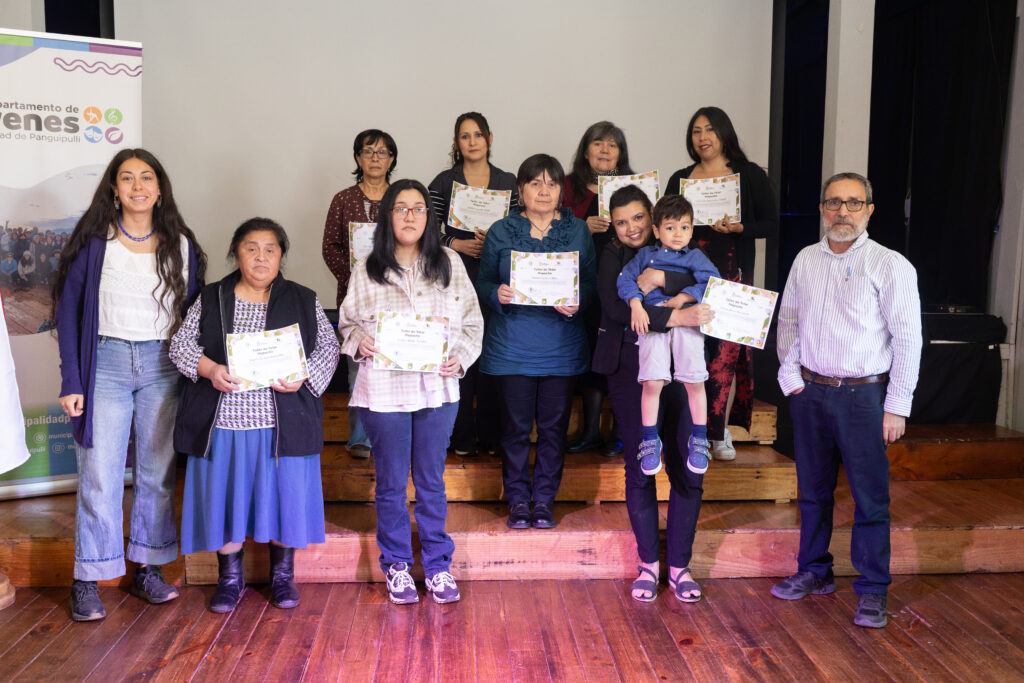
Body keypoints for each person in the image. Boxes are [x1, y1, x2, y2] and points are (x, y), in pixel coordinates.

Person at [53, 148, 206, 622]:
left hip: (163, 366)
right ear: (114, 189)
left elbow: (197, 313)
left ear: (160, 189)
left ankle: (149, 568)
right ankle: (88, 577)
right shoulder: (95, 241)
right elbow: (69, 310)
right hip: (106, 363)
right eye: (127, 178)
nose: (138, 186)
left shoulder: (180, 244)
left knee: (157, 474)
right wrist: (72, 379)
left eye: (146, 178)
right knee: (99, 475)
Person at [772, 172, 922, 628]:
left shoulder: (890, 264)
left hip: (865, 397)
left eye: (853, 204)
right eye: (834, 203)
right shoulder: (805, 259)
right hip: (811, 393)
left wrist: (897, 404)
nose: (842, 212)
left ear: (870, 210)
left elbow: (909, 338)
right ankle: (814, 571)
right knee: (813, 494)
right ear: (821, 208)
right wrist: (791, 377)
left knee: (869, 499)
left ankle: (873, 588)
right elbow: (790, 323)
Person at [170, 218, 339, 613]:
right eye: (251, 248)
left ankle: (282, 577)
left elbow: (328, 349)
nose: (261, 257)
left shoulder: (302, 297)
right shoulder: (211, 297)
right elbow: (180, 345)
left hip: (283, 423)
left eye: (270, 249)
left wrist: (303, 377)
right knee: (227, 503)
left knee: (284, 500)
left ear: (281, 255)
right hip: (224, 423)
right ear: (236, 253)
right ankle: (230, 579)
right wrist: (210, 370)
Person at [338, 179, 482, 605]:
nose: (409, 216)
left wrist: (461, 357)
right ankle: (397, 565)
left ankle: (438, 566)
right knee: (389, 484)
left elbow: (472, 323)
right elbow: (346, 323)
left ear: (428, 217)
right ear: (388, 217)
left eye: (418, 208)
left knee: (431, 482)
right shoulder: (366, 267)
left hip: (437, 388)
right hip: (383, 391)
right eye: (401, 208)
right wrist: (357, 342)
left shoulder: (451, 263)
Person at [595, 185, 713, 602]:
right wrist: (681, 315)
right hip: (632, 371)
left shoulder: (679, 250)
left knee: (687, 467)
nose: (631, 227)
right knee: (640, 468)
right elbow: (615, 309)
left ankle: (679, 566)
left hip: (681, 370)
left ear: (653, 216)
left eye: (638, 218)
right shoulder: (612, 256)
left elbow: (712, 285)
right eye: (622, 221)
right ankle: (648, 564)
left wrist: (664, 280)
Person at [477, 154, 597, 529]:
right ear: (520, 189)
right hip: (512, 347)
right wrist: (497, 292)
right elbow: (481, 284)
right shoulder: (500, 230)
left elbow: (591, 283)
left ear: (562, 190)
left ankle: (543, 500)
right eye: (535, 182)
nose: (544, 190)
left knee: (553, 428)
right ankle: (517, 501)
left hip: (560, 347)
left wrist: (579, 301)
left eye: (552, 183)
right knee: (513, 429)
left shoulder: (577, 231)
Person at [666, 107, 779, 460]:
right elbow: (666, 223)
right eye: (696, 131)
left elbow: (772, 224)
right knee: (689, 352)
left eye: (710, 130)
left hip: (731, 278)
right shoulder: (681, 178)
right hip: (687, 278)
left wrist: (740, 227)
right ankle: (690, 428)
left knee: (724, 357)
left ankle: (717, 431)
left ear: (724, 133)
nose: (702, 137)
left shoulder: (747, 175)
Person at [427, 112, 517, 456]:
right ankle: (460, 437)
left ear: (490, 139)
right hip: (454, 277)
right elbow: (428, 230)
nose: (472, 141)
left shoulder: (508, 181)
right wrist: (457, 244)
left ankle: (492, 438)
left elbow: (520, 230)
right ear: (456, 142)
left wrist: (495, 238)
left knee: (493, 358)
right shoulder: (443, 182)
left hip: (497, 280)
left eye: (478, 135)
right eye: (464, 136)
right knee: (459, 358)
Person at [617, 195, 719, 476]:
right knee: (652, 381)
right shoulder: (644, 255)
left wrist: (685, 295)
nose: (678, 234)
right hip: (653, 319)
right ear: (657, 230)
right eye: (671, 227)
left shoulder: (696, 256)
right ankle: (649, 438)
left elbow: (713, 281)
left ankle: (699, 437)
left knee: (694, 380)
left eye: (685, 227)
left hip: (688, 319)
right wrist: (636, 304)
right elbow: (626, 280)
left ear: (692, 229)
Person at [323, 129, 398, 459]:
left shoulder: (401, 198)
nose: (375, 158)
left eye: (382, 153)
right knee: (359, 369)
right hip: (356, 299)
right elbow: (330, 247)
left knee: (396, 367)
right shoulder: (343, 199)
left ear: (392, 159)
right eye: (368, 152)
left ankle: (393, 437)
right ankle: (360, 439)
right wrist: (357, 278)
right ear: (357, 158)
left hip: (397, 297)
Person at [563, 121, 634, 456]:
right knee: (593, 352)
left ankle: (620, 433)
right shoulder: (567, 187)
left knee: (622, 354)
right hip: (582, 284)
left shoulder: (635, 188)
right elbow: (551, 228)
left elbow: (647, 228)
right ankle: (590, 431)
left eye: (613, 144)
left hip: (626, 281)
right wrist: (582, 227)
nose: (605, 150)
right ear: (585, 149)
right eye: (598, 143)